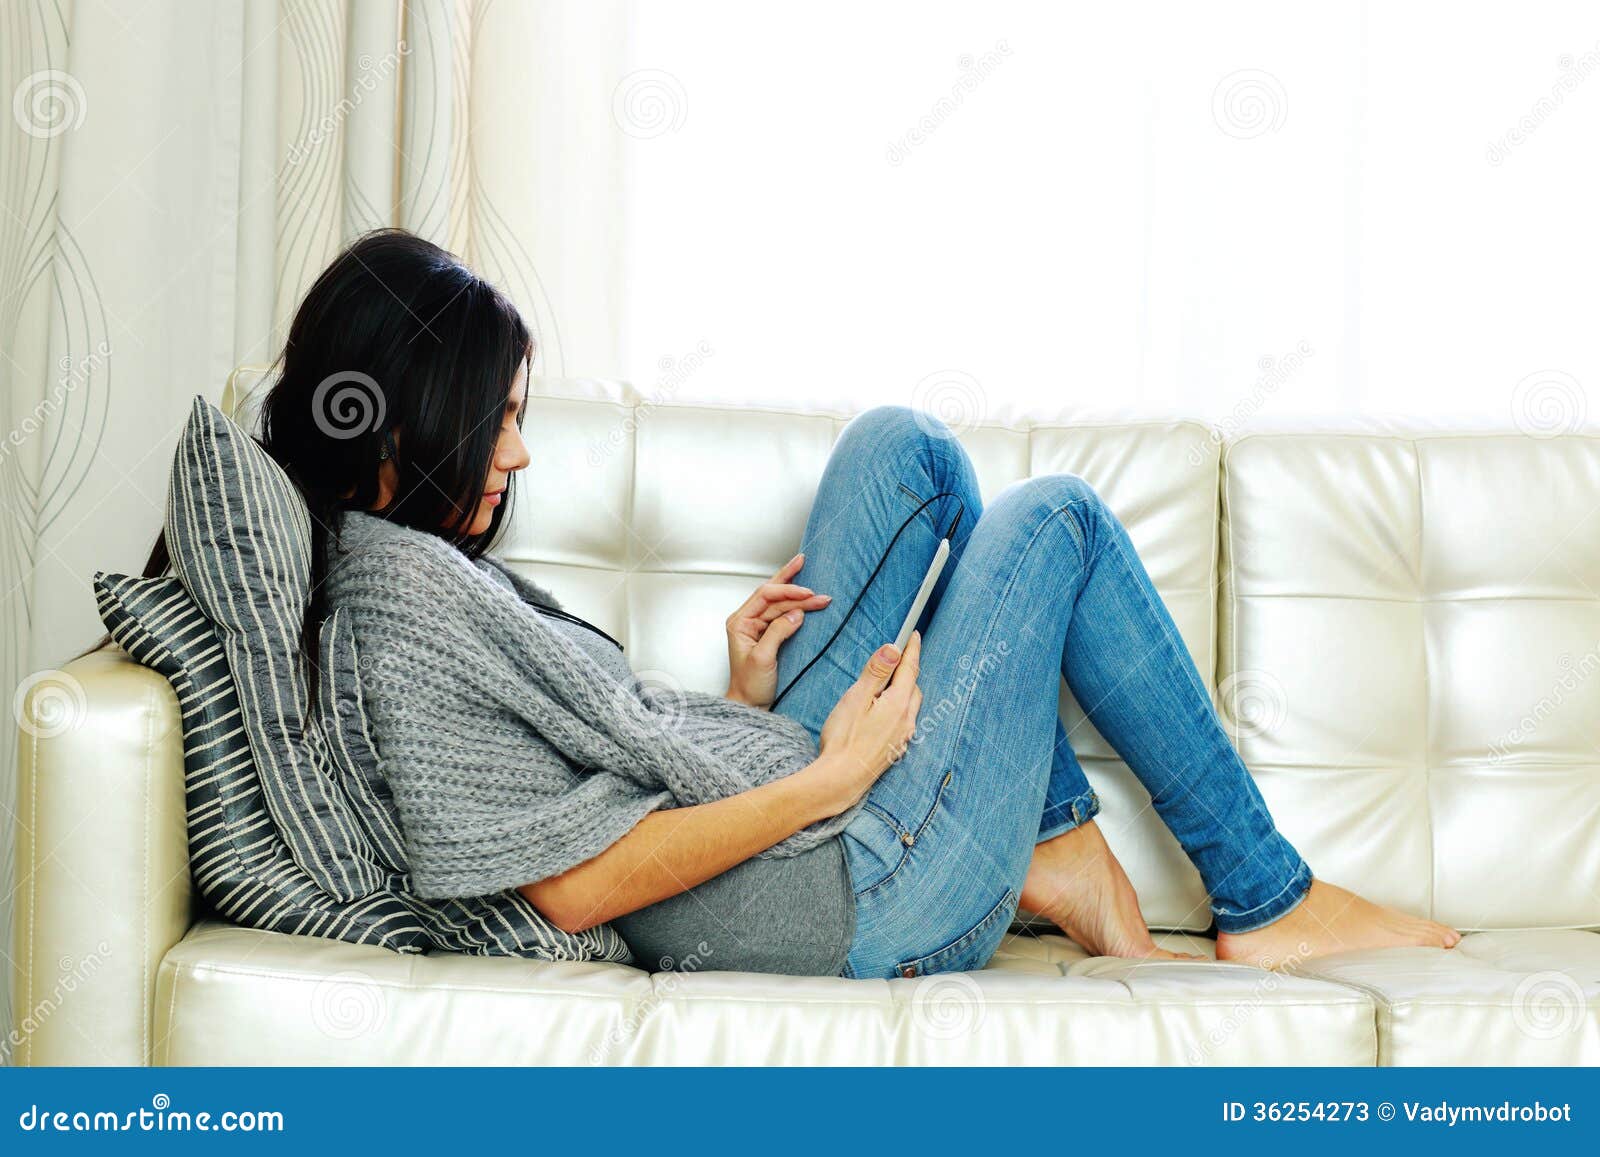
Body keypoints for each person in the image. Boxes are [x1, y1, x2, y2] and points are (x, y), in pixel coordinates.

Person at [169, 228, 1464, 978]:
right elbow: (565, 889)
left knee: (907, 454)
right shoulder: (400, 612)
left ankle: (1057, 847)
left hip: (794, 812)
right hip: (853, 891)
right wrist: (837, 776)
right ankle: (1265, 897)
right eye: (496, 417)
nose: (515, 454)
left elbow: (596, 768)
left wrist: (740, 695)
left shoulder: (399, 559)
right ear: (408, 415)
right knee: (1057, 521)